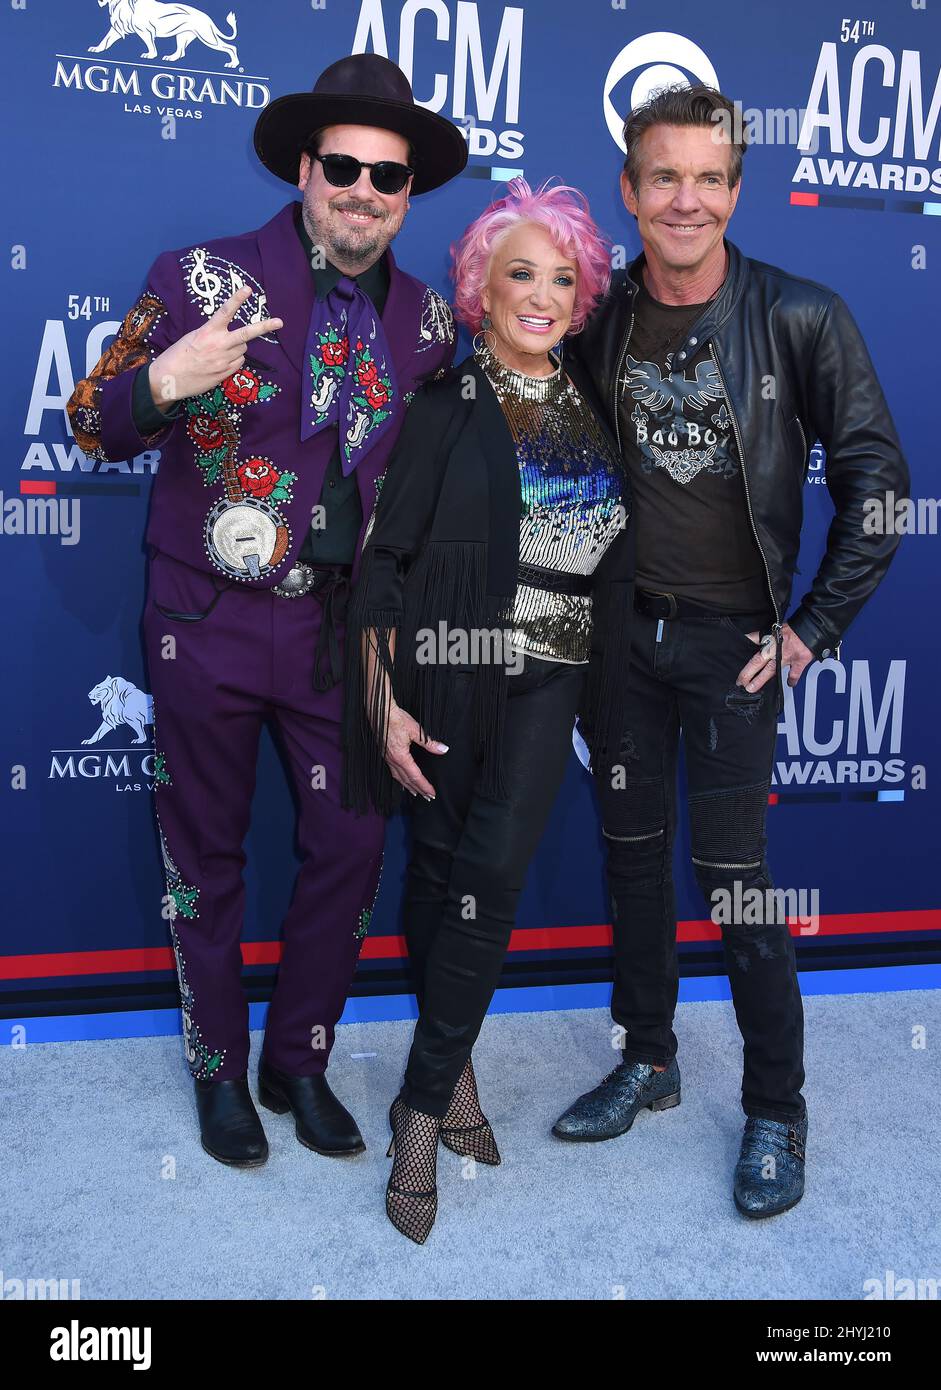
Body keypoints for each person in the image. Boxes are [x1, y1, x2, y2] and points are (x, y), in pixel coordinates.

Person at [66, 54, 467, 1168]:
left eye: (387, 178)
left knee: (346, 845)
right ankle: (218, 1074)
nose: (363, 192)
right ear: (304, 168)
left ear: (406, 194)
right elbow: (89, 417)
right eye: (342, 166)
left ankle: (299, 1057)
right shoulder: (198, 278)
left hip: (346, 632)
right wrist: (163, 382)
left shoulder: (431, 326)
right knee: (206, 853)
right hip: (206, 617)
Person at [552, 84, 908, 1217]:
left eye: (709, 177)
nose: (685, 199)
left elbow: (880, 488)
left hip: (731, 651)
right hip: (618, 636)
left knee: (737, 885)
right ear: (628, 188)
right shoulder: (597, 314)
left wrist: (811, 629)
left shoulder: (800, 314)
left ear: (736, 189)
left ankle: (774, 1107)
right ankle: (648, 1058)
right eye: (663, 176)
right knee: (628, 857)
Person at [343, 177, 635, 1243]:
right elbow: (382, 569)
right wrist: (379, 700)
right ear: (480, 284)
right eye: (521, 271)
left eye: (563, 277)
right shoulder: (440, 407)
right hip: (443, 669)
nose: (542, 293)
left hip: (551, 678)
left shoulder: (596, 404)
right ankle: (454, 1075)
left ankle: (415, 1109)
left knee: (488, 881)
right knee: (434, 873)